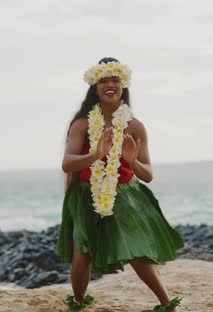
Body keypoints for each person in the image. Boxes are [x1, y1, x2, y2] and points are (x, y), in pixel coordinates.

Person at [56, 57, 185, 312]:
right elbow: (67, 163)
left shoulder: (135, 126)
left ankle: (166, 304)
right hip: (85, 194)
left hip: (125, 194)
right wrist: (94, 155)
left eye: (115, 79)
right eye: (103, 80)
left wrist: (132, 161)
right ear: (95, 86)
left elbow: (147, 175)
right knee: (82, 252)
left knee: (136, 250)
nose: (110, 85)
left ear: (123, 84)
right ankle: (79, 303)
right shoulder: (82, 123)